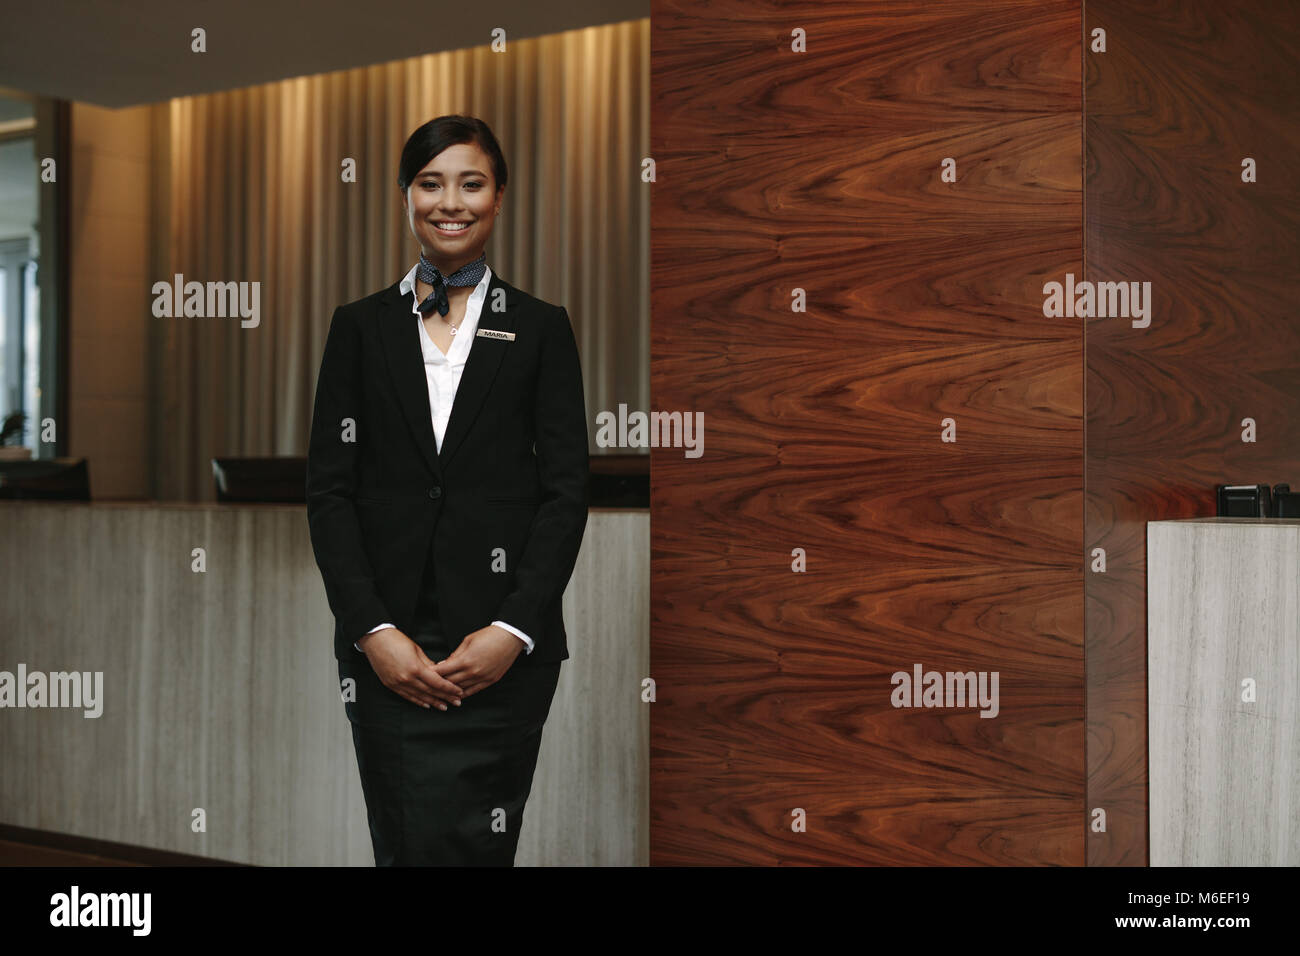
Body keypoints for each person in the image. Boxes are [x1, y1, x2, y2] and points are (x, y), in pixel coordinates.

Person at [306, 114, 589, 865]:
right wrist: (372, 631)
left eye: (471, 183)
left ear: (499, 198)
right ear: (405, 197)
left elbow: (565, 494)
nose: (450, 201)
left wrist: (513, 631)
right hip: (389, 651)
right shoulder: (359, 328)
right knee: (404, 846)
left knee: (480, 849)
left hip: (500, 650)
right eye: (430, 183)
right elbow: (329, 493)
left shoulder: (540, 328)